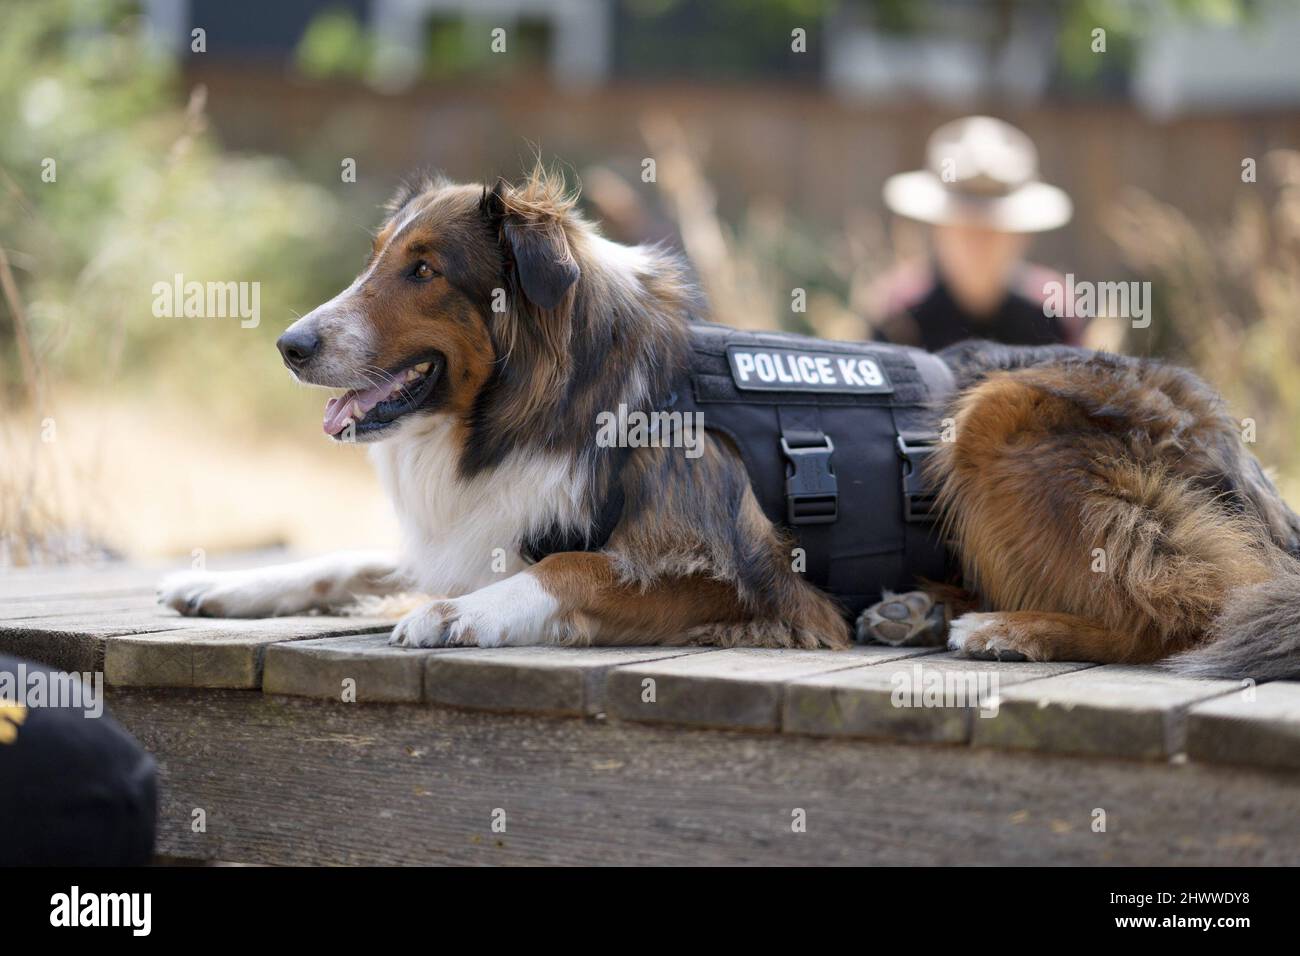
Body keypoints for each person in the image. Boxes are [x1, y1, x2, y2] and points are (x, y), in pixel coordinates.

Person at [868, 115, 1083, 351]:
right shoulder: (900, 315)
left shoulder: (1052, 312)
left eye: (994, 231)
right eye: (965, 228)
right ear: (937, 229)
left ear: (1022, 236)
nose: (978, 244)